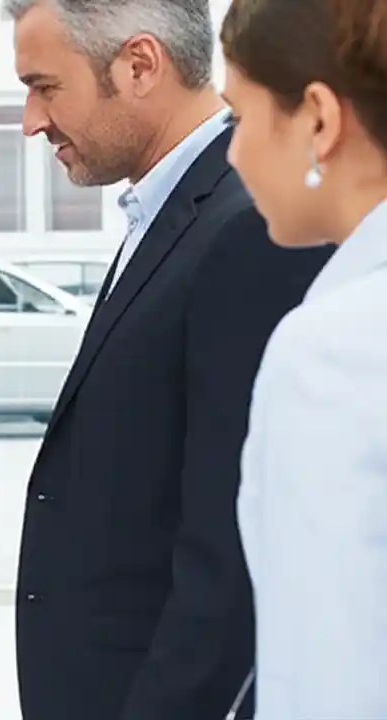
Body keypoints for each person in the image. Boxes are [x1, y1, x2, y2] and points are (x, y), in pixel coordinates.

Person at [1, 1, 334, 719]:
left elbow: (230, 553)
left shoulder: (246, 226)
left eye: (45, 86)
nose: (31, 119)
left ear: (140, 64)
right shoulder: (171, 209)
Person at [221, 0, 387, 716]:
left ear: (318, 118)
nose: (232, 152)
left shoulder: (330, 355)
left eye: (238, 116)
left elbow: (326, 683)